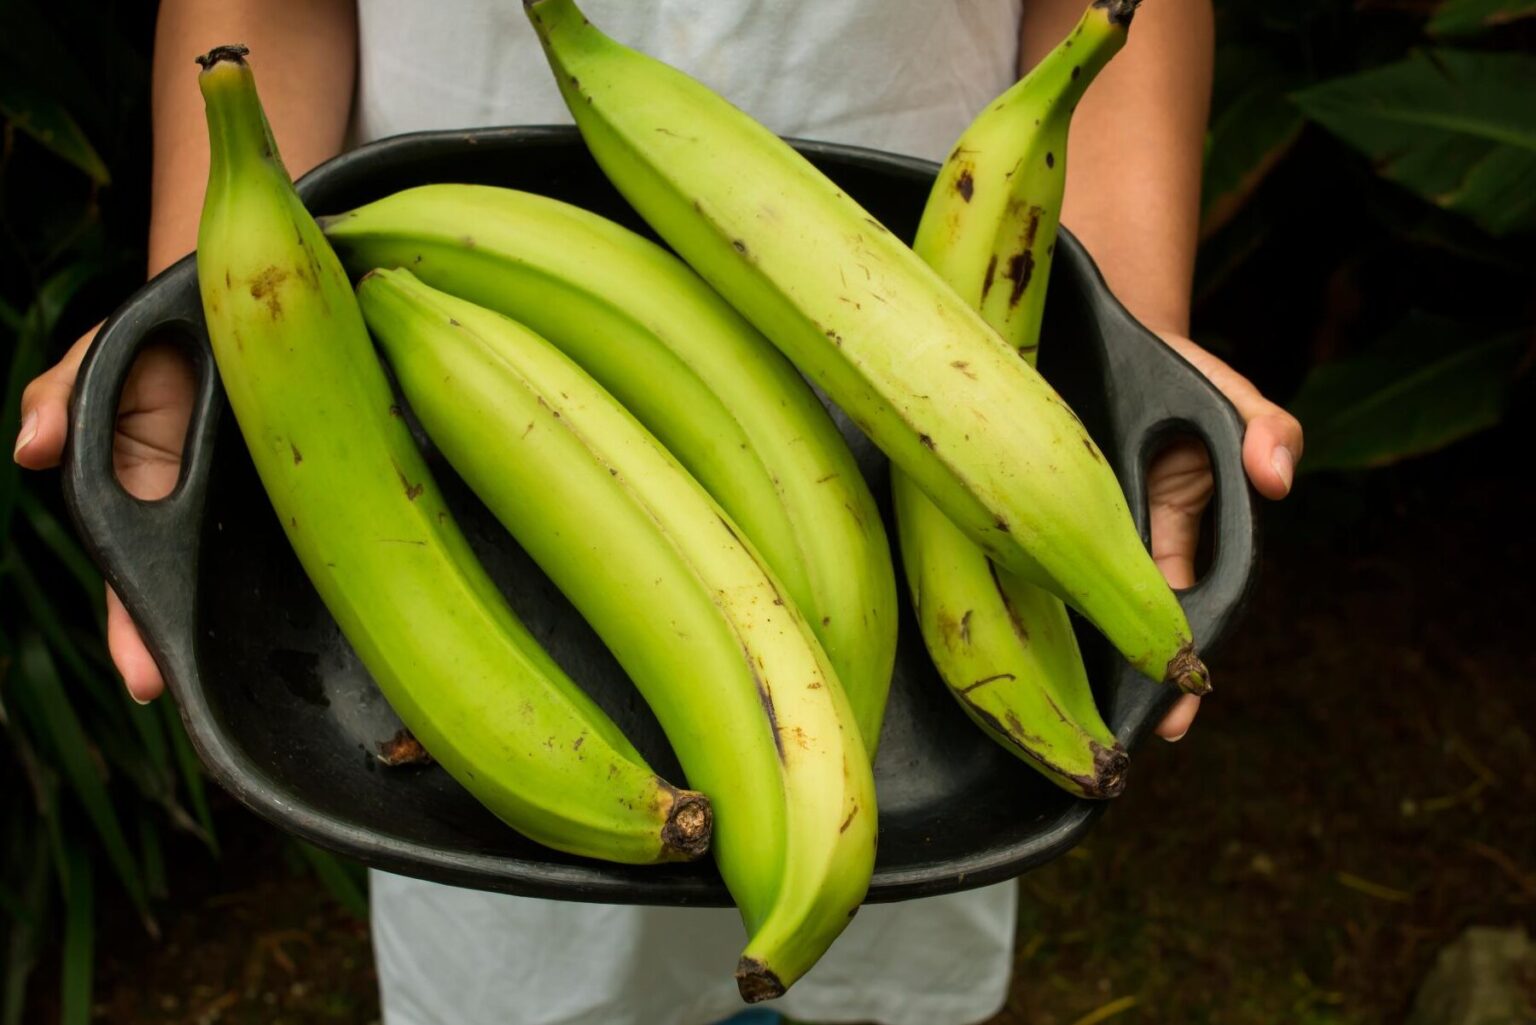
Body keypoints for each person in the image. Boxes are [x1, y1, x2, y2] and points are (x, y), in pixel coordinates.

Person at [14, 2, 1304, 1023]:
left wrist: (1126, 343)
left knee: (867, 903)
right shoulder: (428, 308)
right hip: (438, 294)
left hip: (916, 315)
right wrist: (222, 298)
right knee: (536, 976)